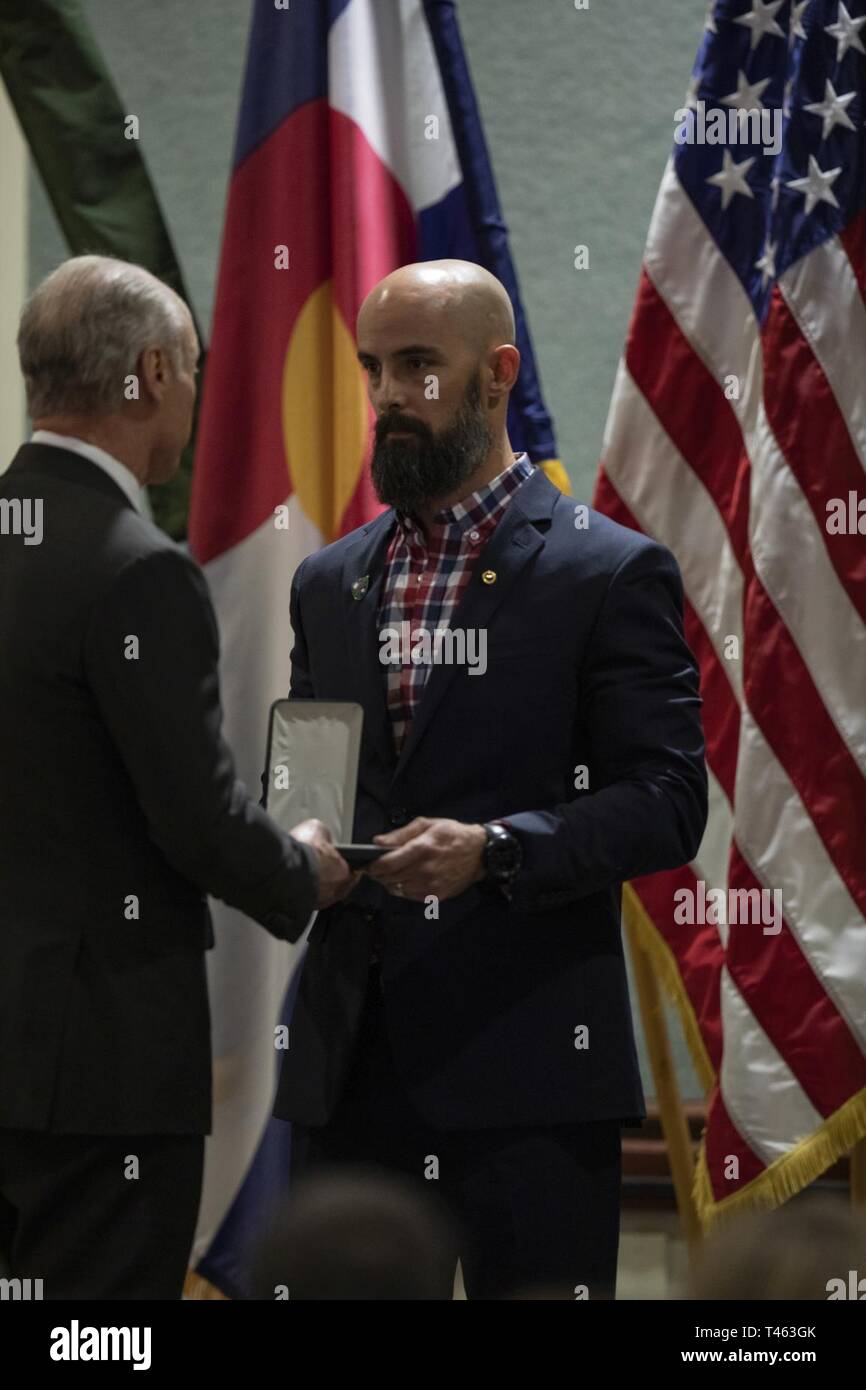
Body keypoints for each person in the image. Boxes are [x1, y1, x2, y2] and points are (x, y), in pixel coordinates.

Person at [274, 258, 708, 1299]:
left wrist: (499, 849)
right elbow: (304, 784)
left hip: (529, 1073)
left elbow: (665, 799)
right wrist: (295, 844)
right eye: (373, 367)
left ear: (496, 372)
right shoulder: (328, 581)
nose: (385, 397)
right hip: (349, 1065)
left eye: (417, 366)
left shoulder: (605, 572)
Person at [0, 255, 352, 1299]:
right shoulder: (134, 566)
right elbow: (194, 821)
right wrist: (302, 867)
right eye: (192, 369)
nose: (195, 399)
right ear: (151, 371)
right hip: (98, 1066)